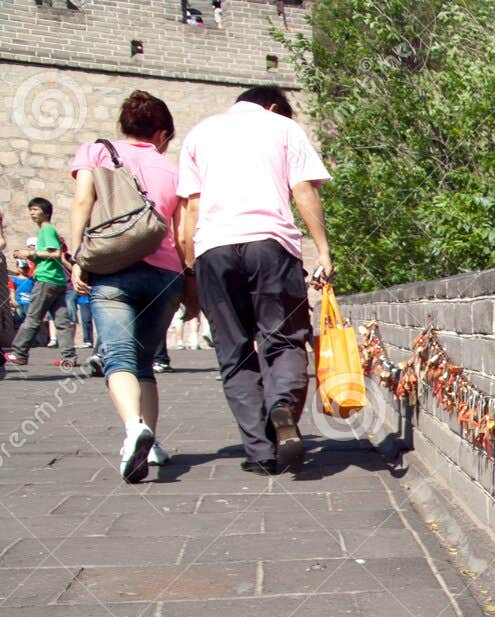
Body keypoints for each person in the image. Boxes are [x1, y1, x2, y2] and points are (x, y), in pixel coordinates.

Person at [177, 84, 332, 475]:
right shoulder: (282, 128)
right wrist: (323, 250)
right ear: (275, 106)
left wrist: (192, 268)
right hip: (270, 245)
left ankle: (261, 453)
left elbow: (189, 213)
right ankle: (282, 406)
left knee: (234, 353)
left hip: (213, 249)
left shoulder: (198, 134)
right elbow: (303, 190)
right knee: (284, 340)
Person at [65, 90, 192, 483]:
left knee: (118, 358)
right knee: (146, 361)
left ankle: (134, 428)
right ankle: (151, 444)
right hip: (164, 275)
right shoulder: (174, 170)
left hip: (112, 269)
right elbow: (184, 232)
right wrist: (189, 281)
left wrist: (75, 255)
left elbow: (82, 202)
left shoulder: (96, 153)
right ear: (160, 133)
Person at [4, 199, 76, 368]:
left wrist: (30, 253)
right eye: (30, 210)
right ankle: (69, 357)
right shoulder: (47, 230)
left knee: (32, 318)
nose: (31, 213)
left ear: (46, 212)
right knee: (62, 321)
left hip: (46, 280)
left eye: (35, 209)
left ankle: (19, 353)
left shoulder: (46, 230)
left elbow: (55, 253)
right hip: (58, 281)